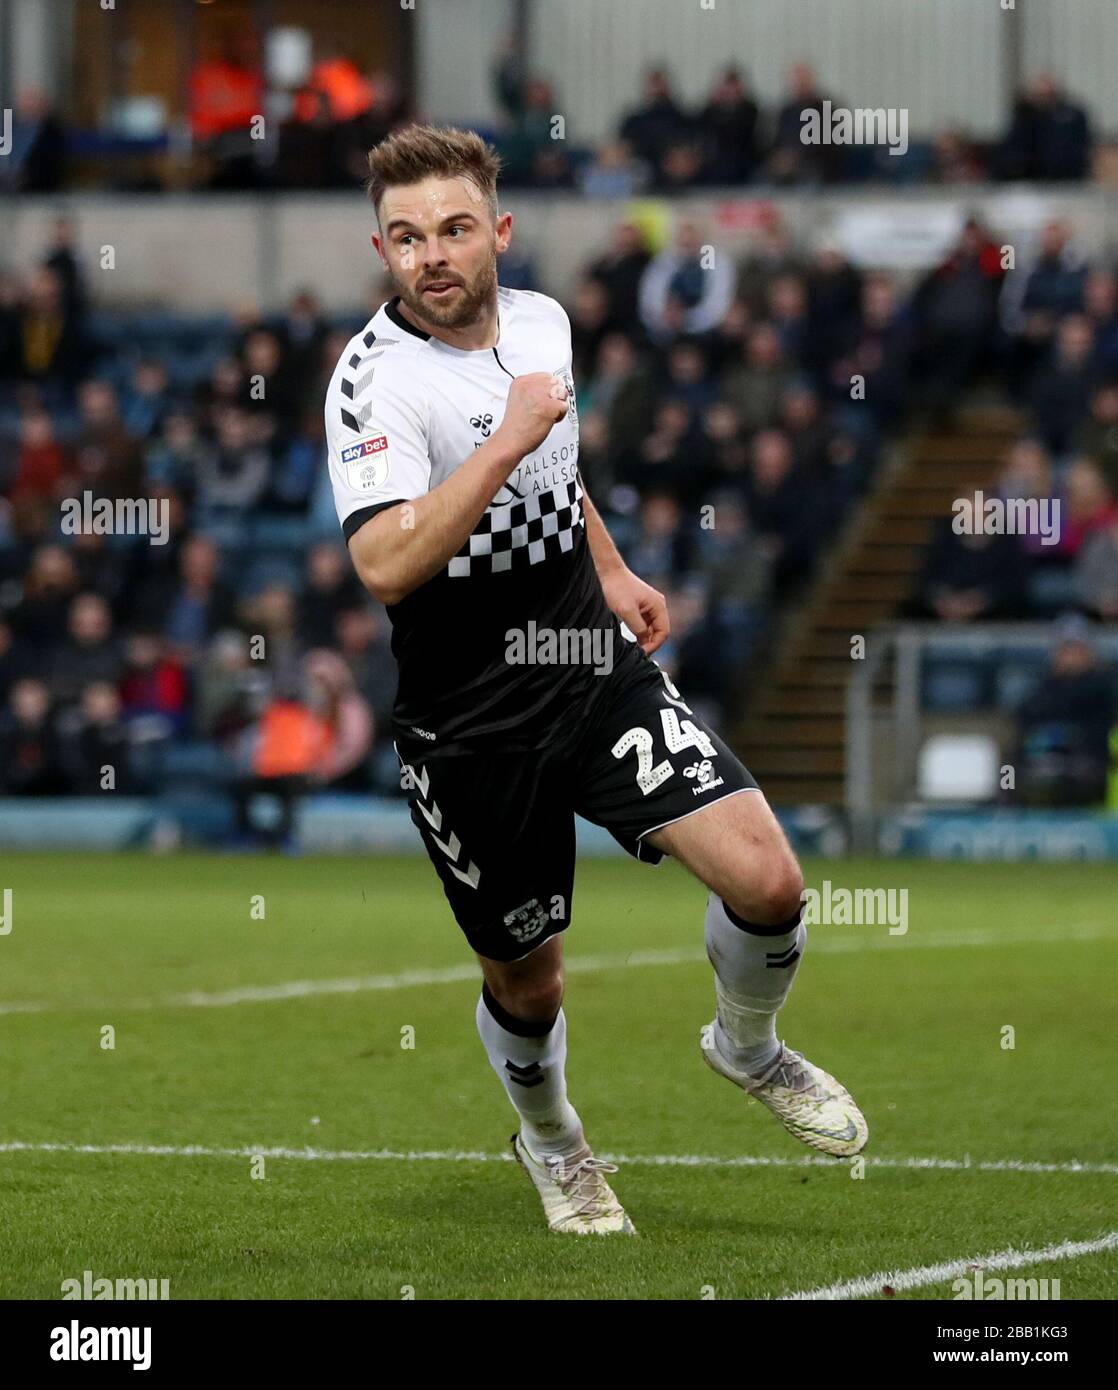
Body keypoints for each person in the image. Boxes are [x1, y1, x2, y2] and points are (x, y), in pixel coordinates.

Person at [325, 124, 867, 1238]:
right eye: (406, 237)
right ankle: (555, 1142)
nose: (431, 254)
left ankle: (747, 1047)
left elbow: (554, 471)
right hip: (469, 723)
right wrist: (503, 435)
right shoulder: (370, 387)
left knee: (768, 882)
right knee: (531, 982)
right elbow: (383, 563)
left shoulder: (541, 323)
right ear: (379, 248)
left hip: (584, 668)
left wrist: (611, 570)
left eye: (454, 229)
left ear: (499, 232)